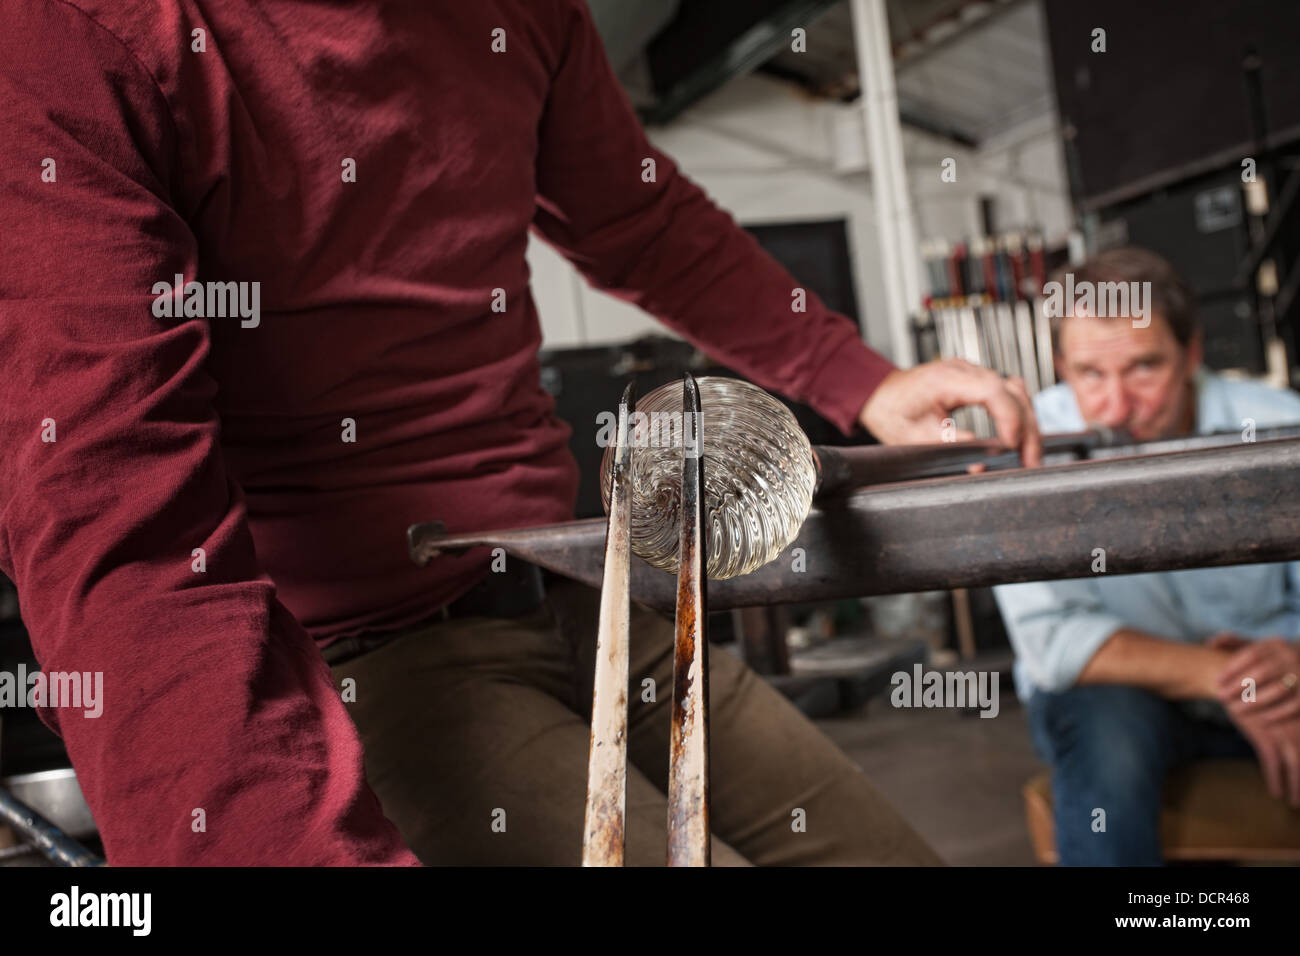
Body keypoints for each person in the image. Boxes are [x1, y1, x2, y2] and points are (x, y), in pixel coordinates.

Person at [0, 0, 1039, 865]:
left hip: (585, 597)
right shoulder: (78, 33)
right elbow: (121, 533)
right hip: (376, 656)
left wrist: (860, 379)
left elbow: (635, 213)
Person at [994, 246, 1300, 866]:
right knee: (1111, 736)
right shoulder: (1022, 455)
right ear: (1060, 366)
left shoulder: (1280, 429)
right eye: (1090, 375)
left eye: (1143, 368)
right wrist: (1236, 683)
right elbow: (1054, 644)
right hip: (1126, 697)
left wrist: (1290, 668)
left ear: (1192, 355)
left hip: (1283, 681)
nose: (1116, 407)